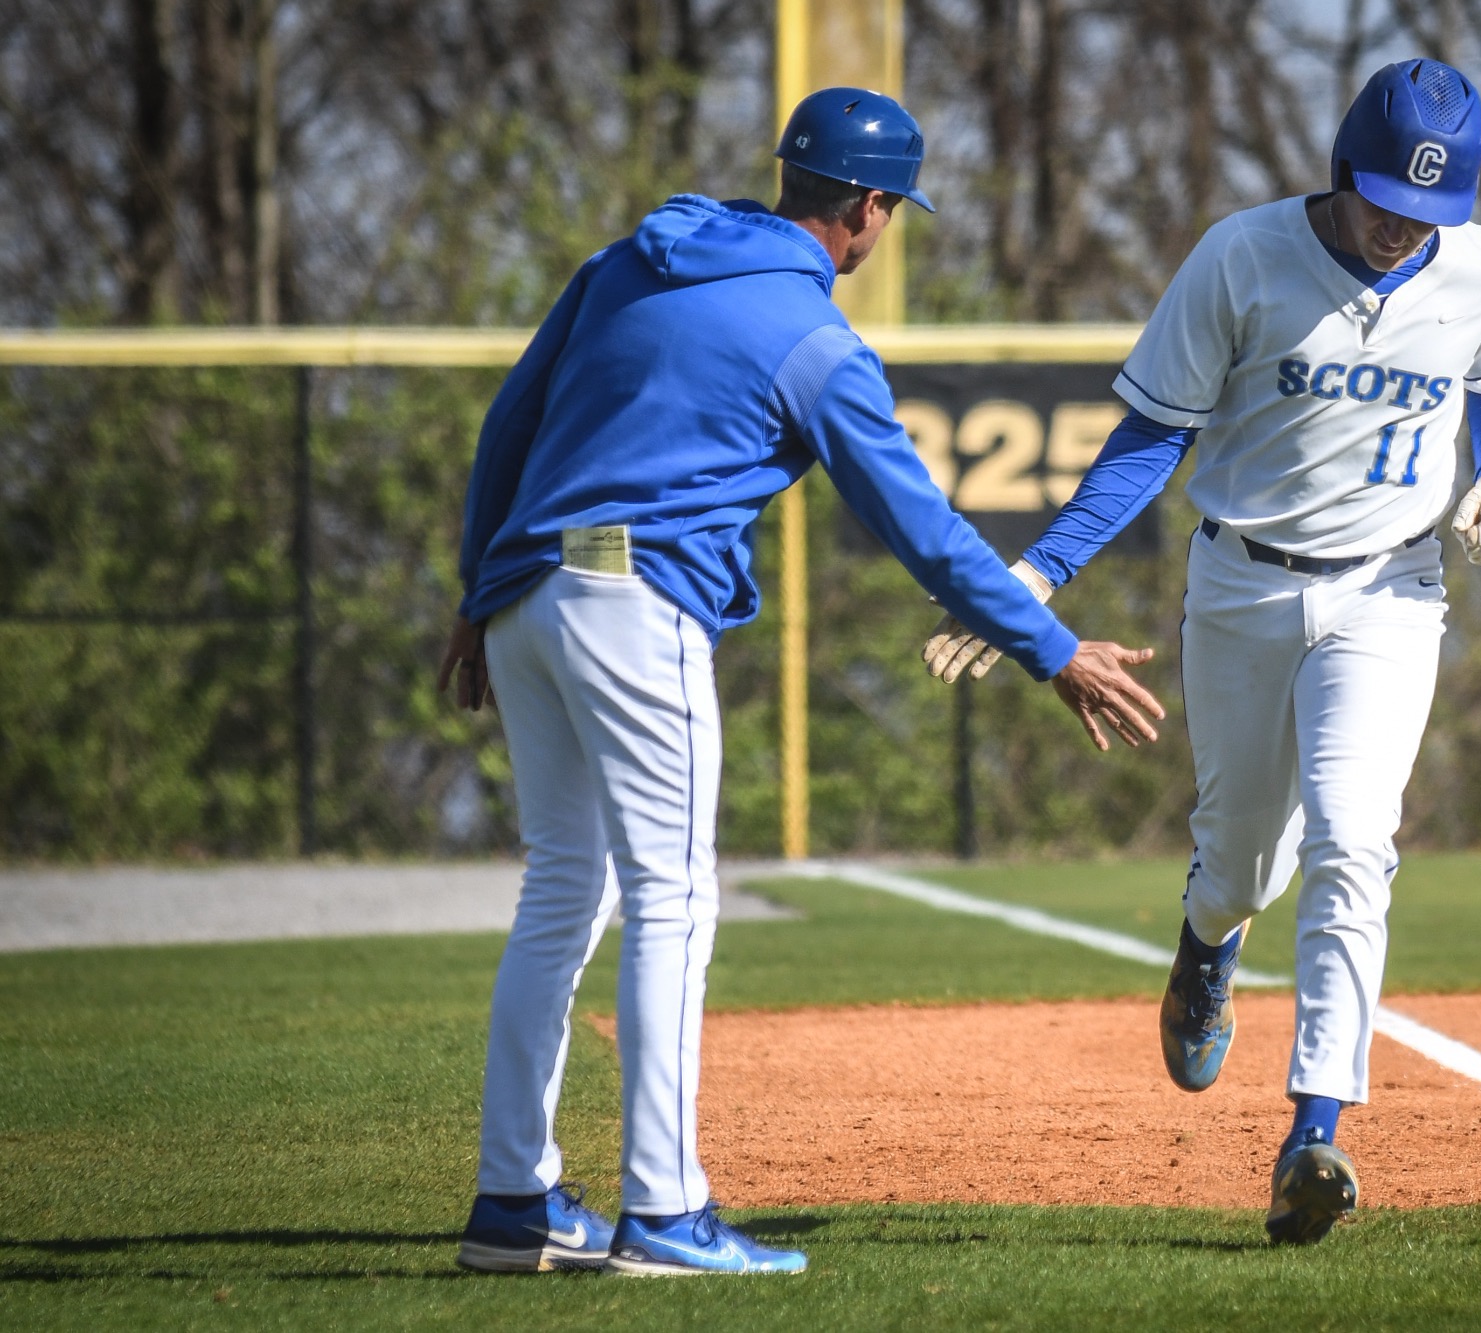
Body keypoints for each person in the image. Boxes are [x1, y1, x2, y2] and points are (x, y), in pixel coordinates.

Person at [438, 86, 1164, 1278]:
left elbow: (506, 425)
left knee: (562, 892)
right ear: (869, 208)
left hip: (525, 598)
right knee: (672, 898)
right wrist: (1053, 652)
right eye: (892, 211)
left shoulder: (626, 261)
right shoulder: (813, 341)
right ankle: (664, 1215)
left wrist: (476, 593)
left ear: (790, 178)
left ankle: (513, 1203)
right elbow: (921, 530)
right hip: (635, 602)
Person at [921, 59, 1481, 1245]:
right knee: (1242, 866)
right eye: (1377, 195)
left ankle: (1313, 1132)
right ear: (1338, 166)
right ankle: (1207, 941)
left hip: (1393, 589)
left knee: (1355, 840)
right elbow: (1148, 436)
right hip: (1242, 586)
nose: (1395, 222)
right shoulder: (1241, 256)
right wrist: (1033, 576)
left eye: (1422, 208)